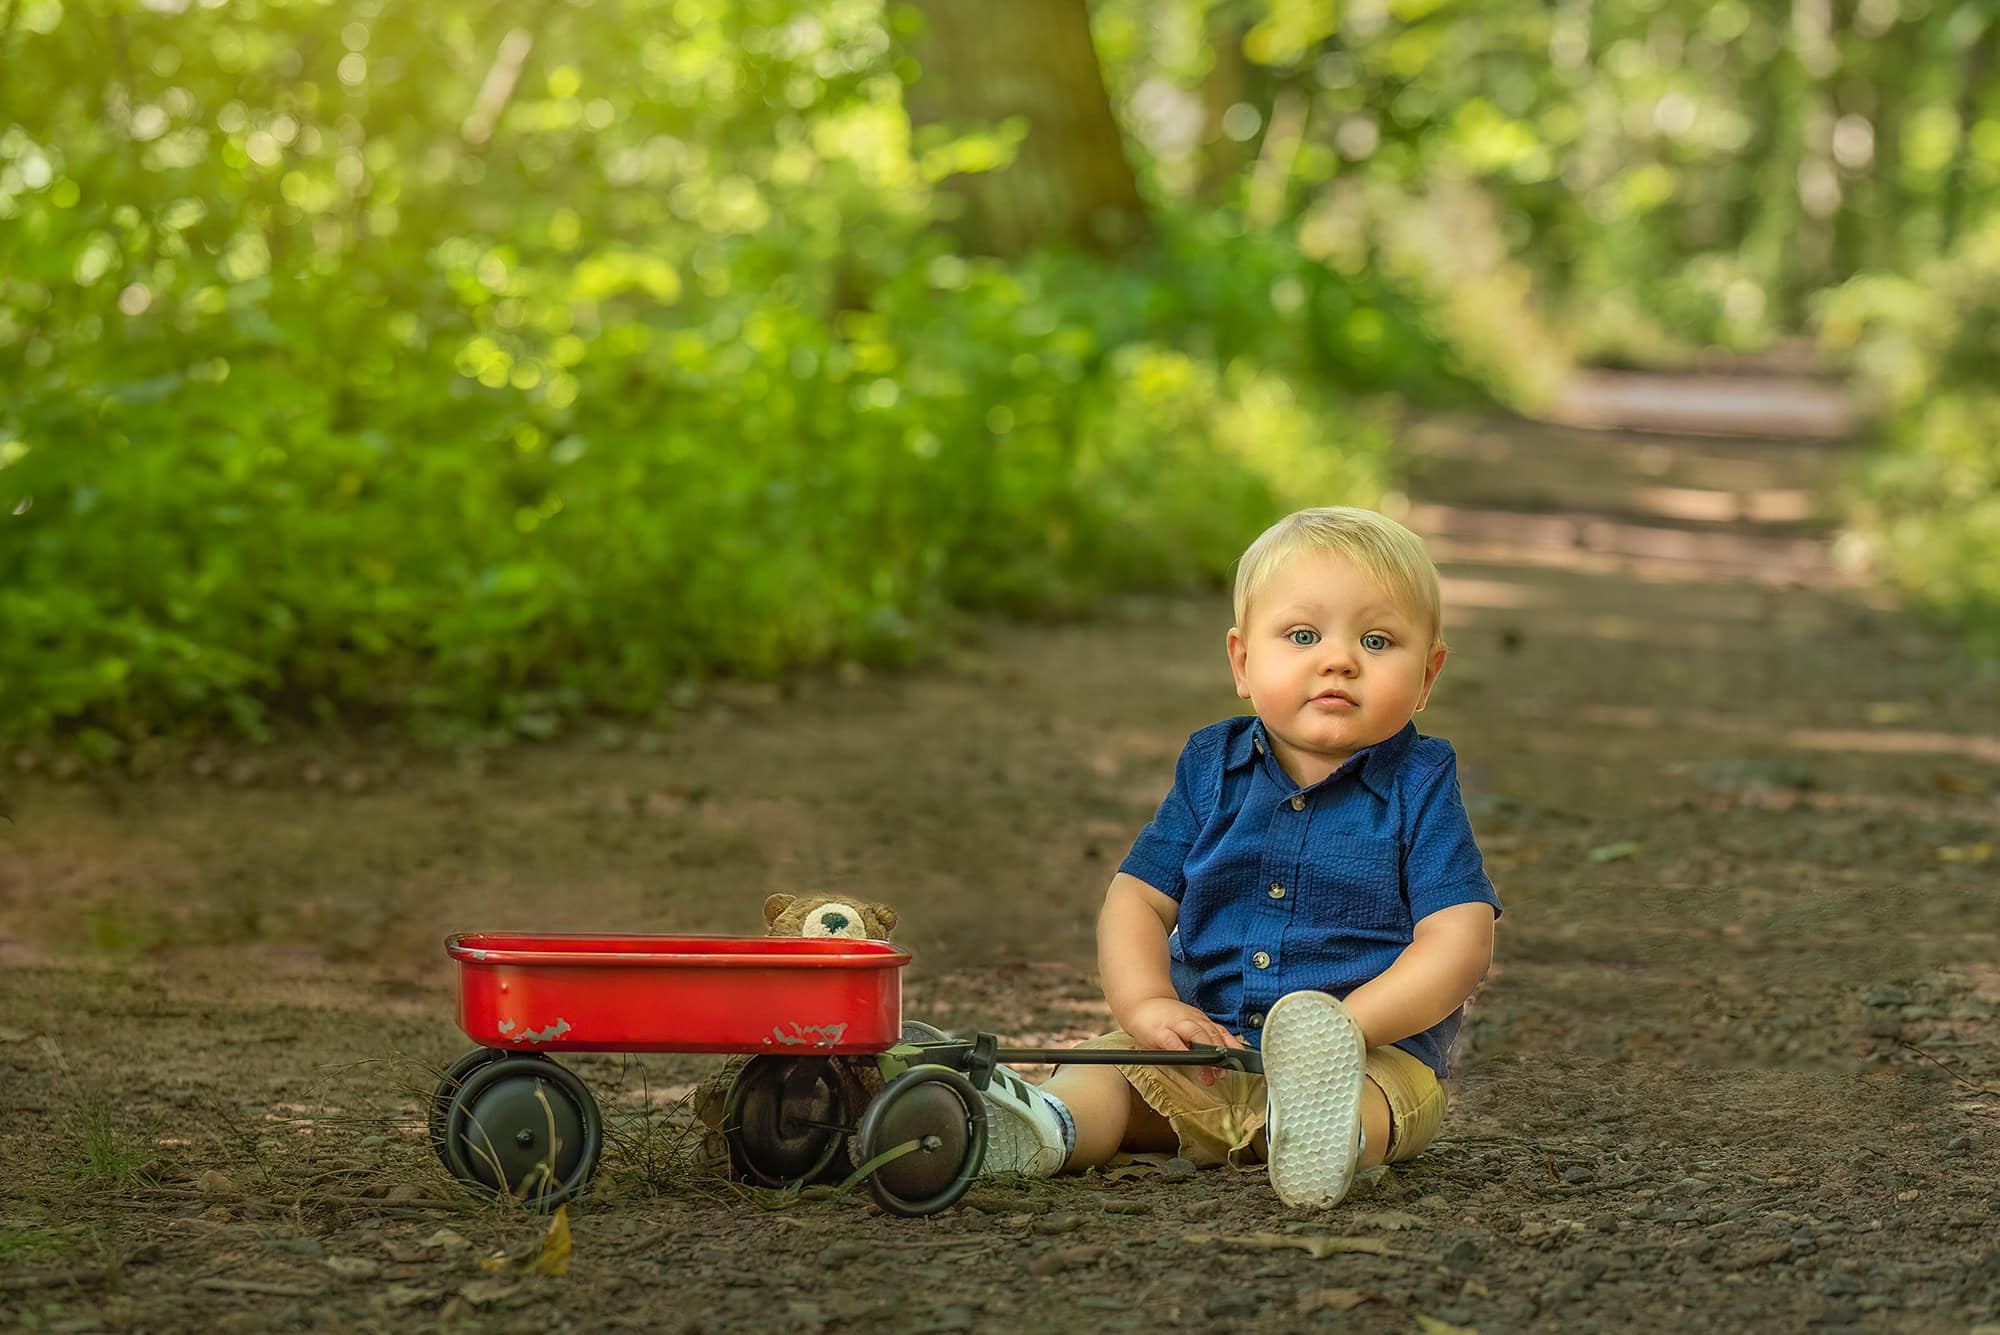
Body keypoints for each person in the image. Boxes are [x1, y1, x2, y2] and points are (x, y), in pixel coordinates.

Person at [966, 505, 1502, 1207]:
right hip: (1207, 1049)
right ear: (1243, 661)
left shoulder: (1419, 782)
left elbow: (1459, 936)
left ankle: (1318, 1133)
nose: (1338, 659)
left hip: (1366, 1057)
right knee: (1108, 1070)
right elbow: (1138, 897)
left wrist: (1349, 1027)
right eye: (1303, 634)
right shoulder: (1210, 765)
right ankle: (1048, 1126)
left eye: (1376, 640)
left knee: (1378, 1104)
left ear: (1428, 675)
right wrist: (1148, 1003)